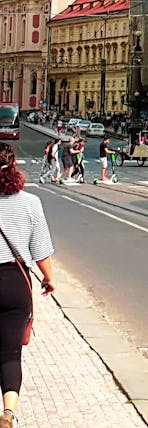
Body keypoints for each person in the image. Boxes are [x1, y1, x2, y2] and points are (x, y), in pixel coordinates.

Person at [0, 142, 56, 428]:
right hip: (14, 283)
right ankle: (8, 413)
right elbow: (41, 251)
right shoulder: (30, 202)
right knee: (10, 353)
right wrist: (49, 278)